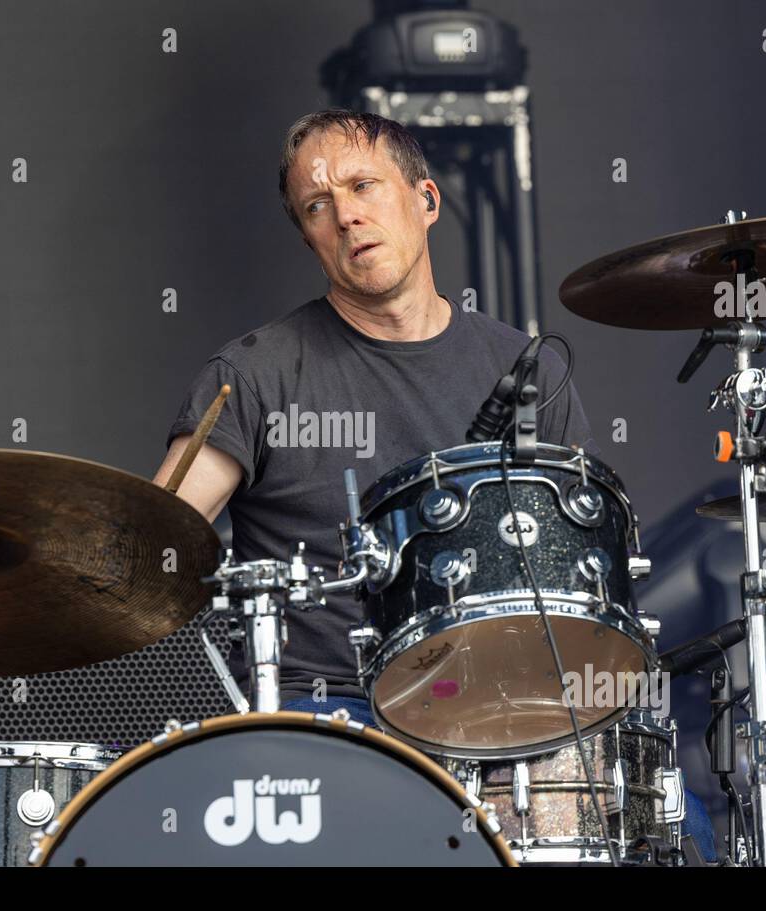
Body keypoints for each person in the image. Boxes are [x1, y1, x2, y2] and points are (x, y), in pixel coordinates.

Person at [155, 109, 595, 721]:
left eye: (363, 186)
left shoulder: (529, 370)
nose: (346, 216)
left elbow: (579, 571)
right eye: (316, 206)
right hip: (326, 711)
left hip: (497, 707)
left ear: (427, 200)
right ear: (310, 239)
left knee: (679, 819)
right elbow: (152, 549)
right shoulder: (253, 376)